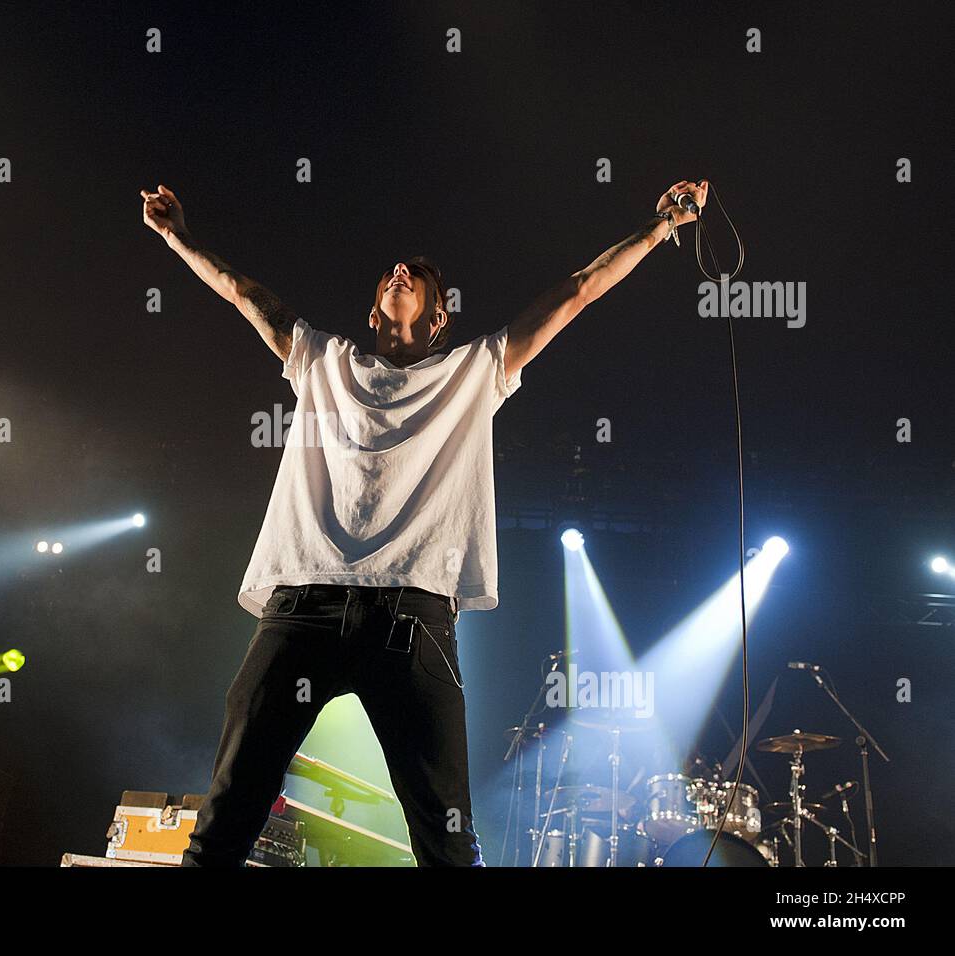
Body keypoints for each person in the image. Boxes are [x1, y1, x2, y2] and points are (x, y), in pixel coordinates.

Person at [139, 179, 708, 866]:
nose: (401, 274)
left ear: (440, 320)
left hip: (412, 625)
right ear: (375, 310)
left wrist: (659, 227)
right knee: (227, 816)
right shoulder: (321, 360)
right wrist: (179, 236)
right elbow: (243, 293)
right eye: (391, 275)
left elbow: (578, 289)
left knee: (445, 841)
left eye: (420, 278)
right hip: (303, 610)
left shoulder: (475, 371)